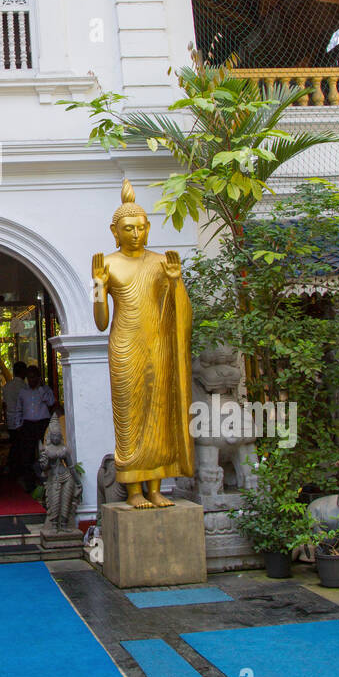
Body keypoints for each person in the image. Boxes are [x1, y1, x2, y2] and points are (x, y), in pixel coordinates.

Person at [92, 178, 193, 510]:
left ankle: (155, 487)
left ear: (148, 227)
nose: (135, 234)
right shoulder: (107, 263)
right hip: (124, 346)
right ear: (114, 230)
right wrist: (98, 286)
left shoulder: (161, 262)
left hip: (158, 346)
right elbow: (100, 321)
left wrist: (176, 283)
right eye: (128, 228)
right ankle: (133, 490)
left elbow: (181, 314)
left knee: (159, 413)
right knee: (130, 416)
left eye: (140, 227)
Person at [13, 365, 56, 491]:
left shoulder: (45, 390)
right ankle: (30, 485)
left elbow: (51, 402)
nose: (30, 380)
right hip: (28, 425)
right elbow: (18, 409)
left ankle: (48, 481)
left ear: (38, 378)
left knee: (46, 452)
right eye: (28, 378)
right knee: (27, 454)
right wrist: (18, 425)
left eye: (33, 377)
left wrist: (42, 388)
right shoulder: (23, 392)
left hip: (42, 423)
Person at [2, 361, 28, 480]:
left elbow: (4, 405)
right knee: (20, 444)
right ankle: (16, 467)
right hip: (21, 420)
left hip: (10, 418)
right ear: (23, 372)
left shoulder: (7, 386)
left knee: (15, 443)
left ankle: (11, 466)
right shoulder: (24, 387)